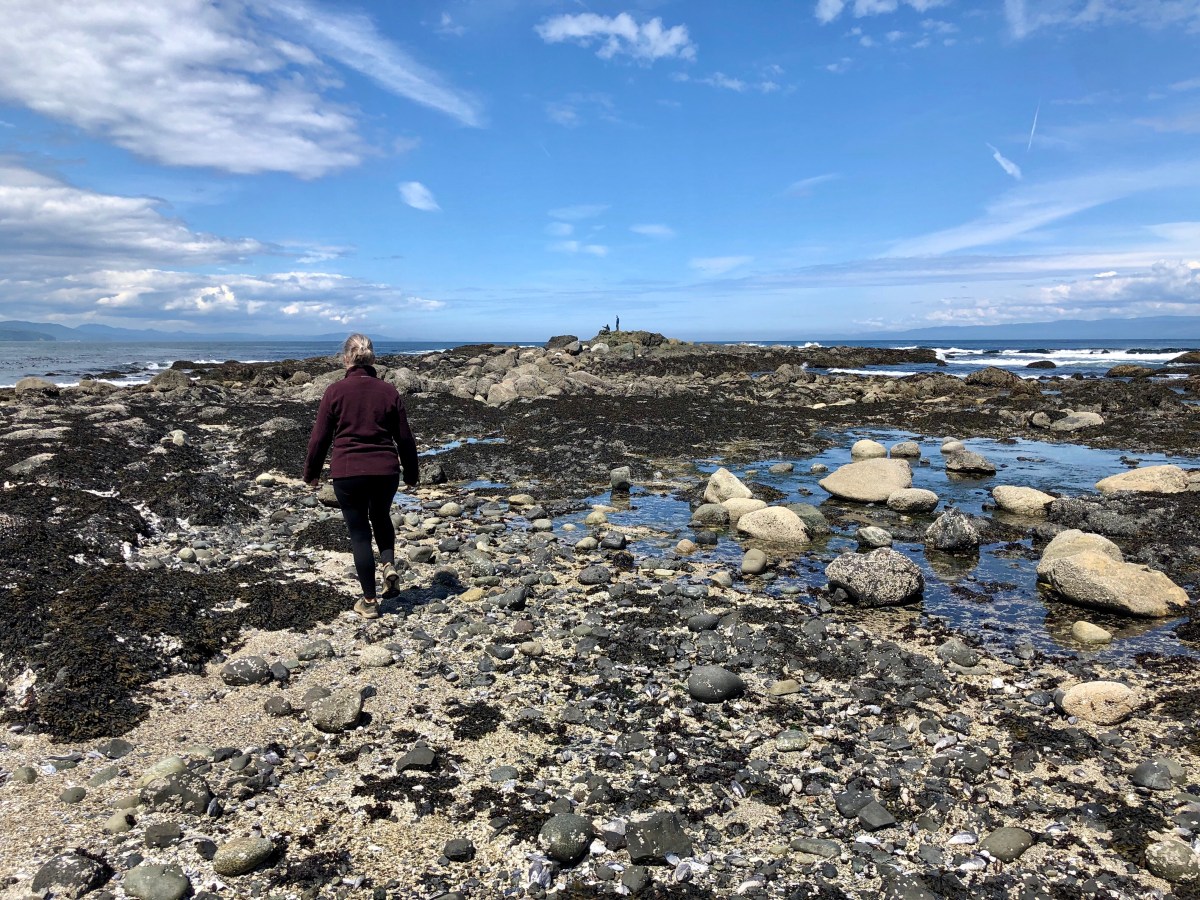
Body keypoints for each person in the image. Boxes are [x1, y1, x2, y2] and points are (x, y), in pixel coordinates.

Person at [303, 333, 419, 619]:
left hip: (347, 471)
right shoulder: (388, 391)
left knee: (358, 533)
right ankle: (388, 564)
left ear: (346, 359)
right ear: (373, 359)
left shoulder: (335, 391)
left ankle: (369, 600)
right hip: (385, 470)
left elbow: (319, 438)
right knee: (380, 516)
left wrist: (312, 474)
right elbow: (405, 438)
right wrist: (412, 473)